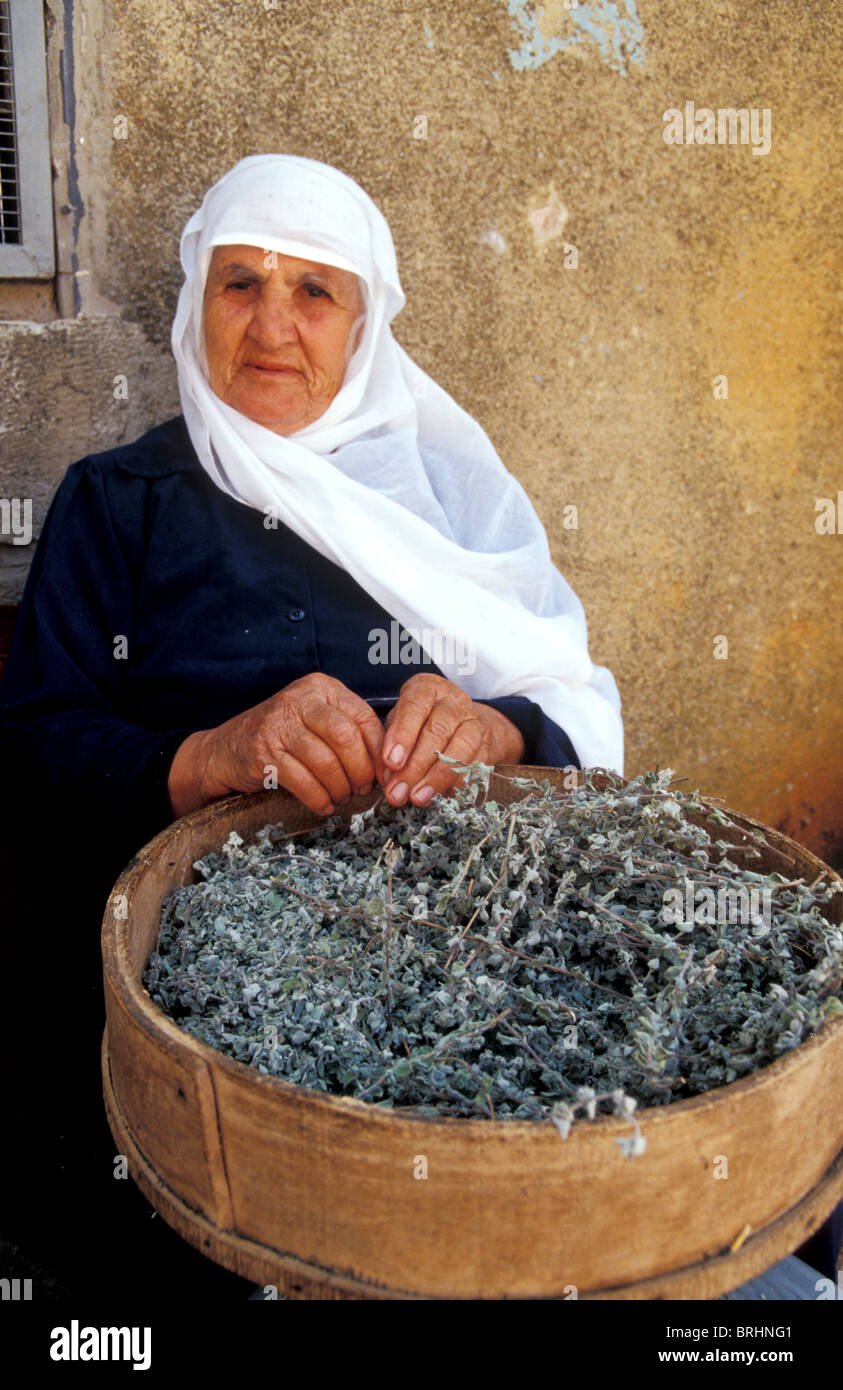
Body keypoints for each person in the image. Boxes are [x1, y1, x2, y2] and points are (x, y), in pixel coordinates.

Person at [0, 154, 835, 1295]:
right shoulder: (117, 503)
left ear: (365, 323)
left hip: (474, 933)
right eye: (240, 284)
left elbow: (566, 705)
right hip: (222, 989)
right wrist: (205, 758)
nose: (274, 326)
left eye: (315, 292)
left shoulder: (448, 495)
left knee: (729, 1250)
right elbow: (34, 739)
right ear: (197, 300)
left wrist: (496, 733)